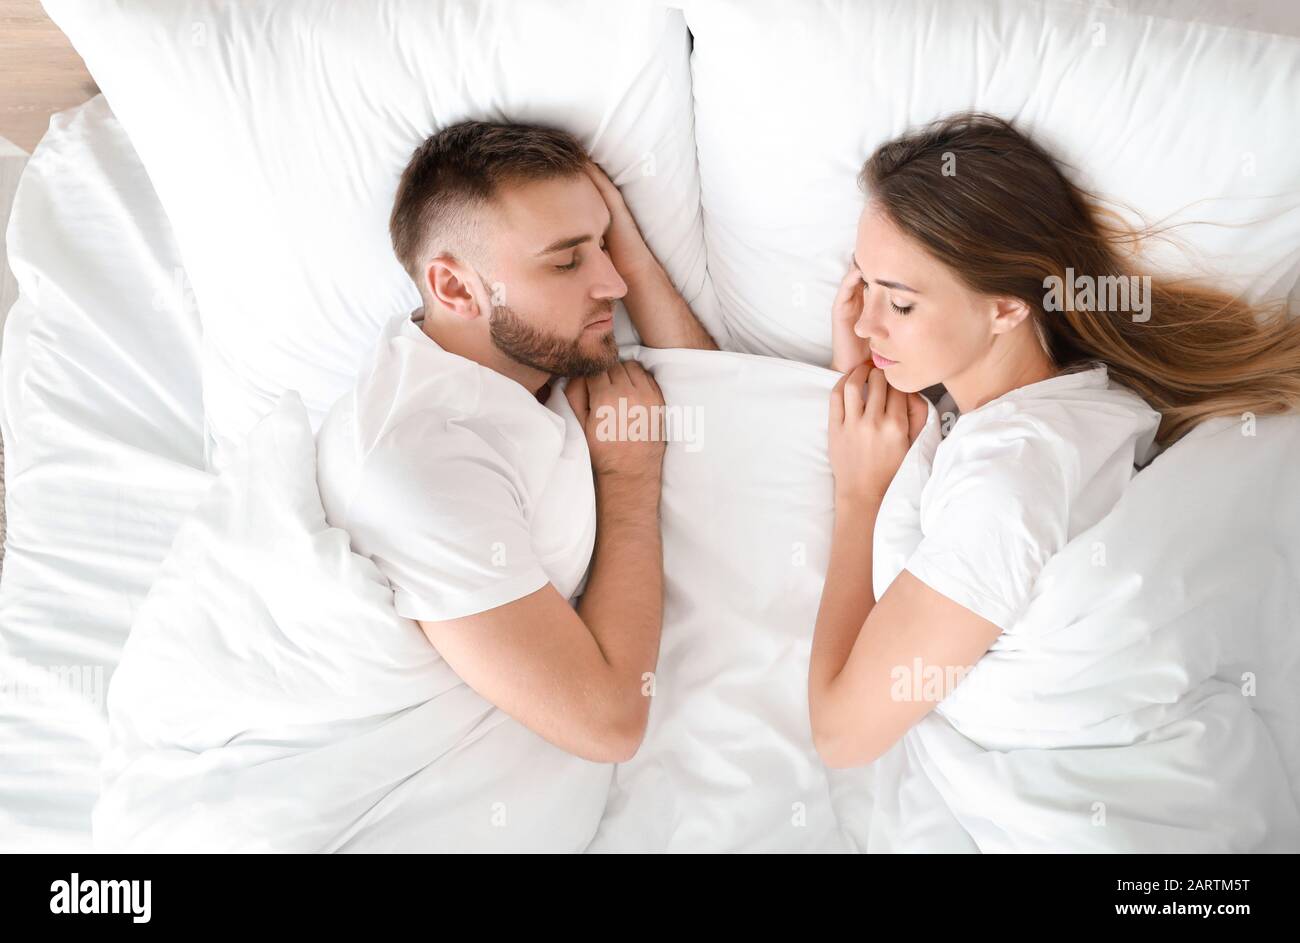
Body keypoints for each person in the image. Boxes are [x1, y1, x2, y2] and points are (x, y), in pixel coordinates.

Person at [808, 111, 1300, 767]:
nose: (864, 320)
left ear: (1008, 306)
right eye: (861, 283)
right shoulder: (1079, 399)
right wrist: (869, 365)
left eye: (898, 303)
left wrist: (859, 496)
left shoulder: (1005, 487)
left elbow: (840, 734)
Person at [316, 119, 717, 773]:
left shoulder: (526, 355)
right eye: (566, 260)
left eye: (604, 246)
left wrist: (638, 261)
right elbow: (611, 721)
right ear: (455, 288)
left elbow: (726, 409)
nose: (611, 286)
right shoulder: (417, 457)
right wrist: (627, 480)